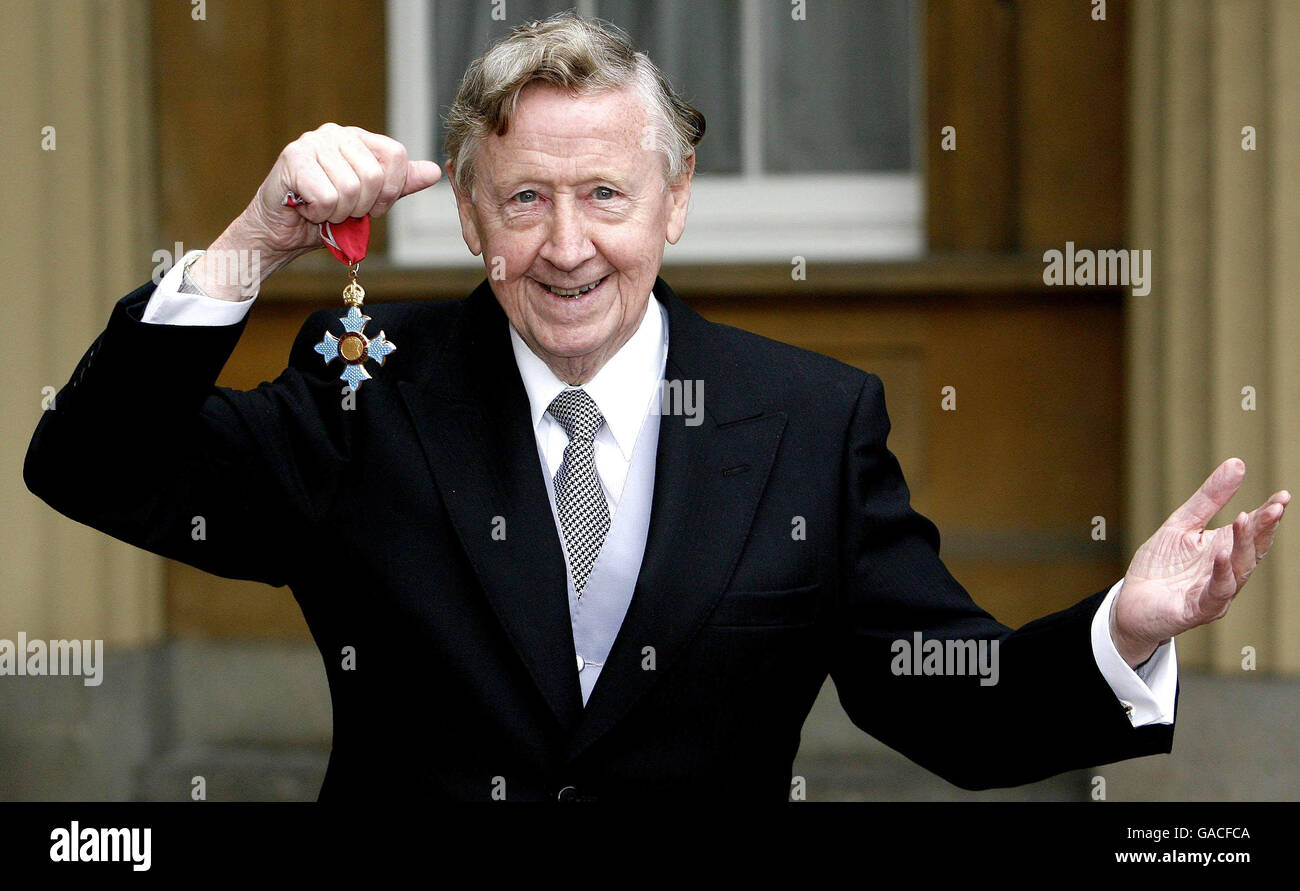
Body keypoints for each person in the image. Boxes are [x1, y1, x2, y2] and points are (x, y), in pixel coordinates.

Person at [24, 11, 1289, 801]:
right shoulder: (366, 389)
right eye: (523, 200)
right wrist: (252, 242)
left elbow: (946, 699)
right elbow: (89, 466)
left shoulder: (809, 421)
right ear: (468, 216)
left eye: (605, 197)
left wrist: (1121, 628)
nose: (565, 246)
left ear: (675, 204)